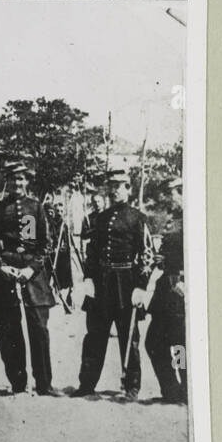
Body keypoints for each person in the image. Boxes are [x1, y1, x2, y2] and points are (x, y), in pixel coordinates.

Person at [74, 169, 148, 400]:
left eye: (120, 185)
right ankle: (87, 384)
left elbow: (146, 255)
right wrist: (88, 278)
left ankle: (131, 386)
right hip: (101, 282)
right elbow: (92, 252)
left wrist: (140, 286)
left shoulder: (138, 218)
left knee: (129, 337)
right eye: (112, 186)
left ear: (128, 189)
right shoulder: (101, 218)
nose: (115, 190)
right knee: (95, 334)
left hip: (126, 282)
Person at [0, 162, 58, 396]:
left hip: (33, 277)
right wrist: (1, 266)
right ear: (8, 181)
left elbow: (45, 245)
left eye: (22, 179)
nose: (18, 183)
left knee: (39, 330)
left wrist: (31, 269)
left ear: (27, 181)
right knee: (9, 332)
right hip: (5, 277)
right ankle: (18, 384)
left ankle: (44, 384)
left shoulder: (36, 208)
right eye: (14, 179)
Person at [143, 176, 186, 403]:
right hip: (164, 290)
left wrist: (187, 281)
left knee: (180, 344)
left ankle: (186, 388)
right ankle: (172, 389)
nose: (168, 198)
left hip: (180, 290)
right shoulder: (174, 220)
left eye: (171, 193)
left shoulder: (195, 218)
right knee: (154, 342)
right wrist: (160, 258)